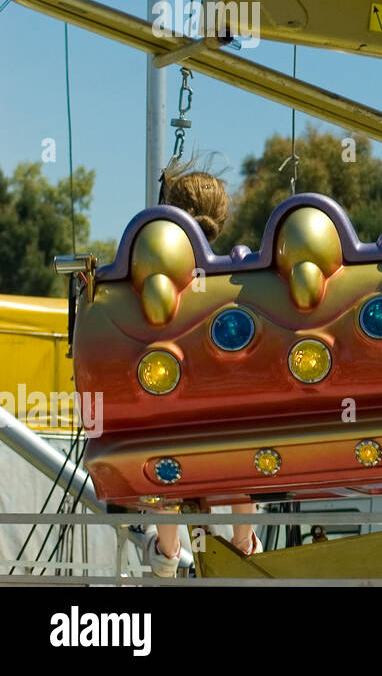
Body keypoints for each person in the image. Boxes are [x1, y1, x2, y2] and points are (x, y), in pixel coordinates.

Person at [138, 161, 261, 577]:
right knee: (243, 458)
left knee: (168, 467)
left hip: (177, 410)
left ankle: (167, 556)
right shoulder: (238, 275)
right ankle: (243, 546)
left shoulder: (157, 281)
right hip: (230, 410)